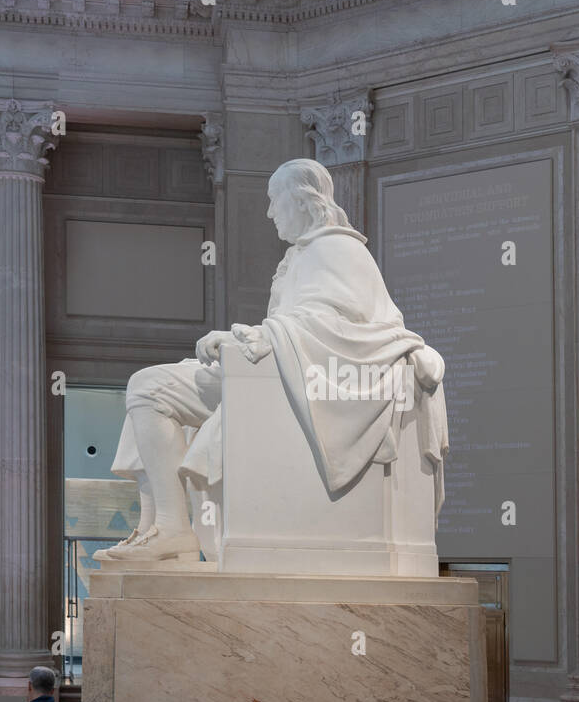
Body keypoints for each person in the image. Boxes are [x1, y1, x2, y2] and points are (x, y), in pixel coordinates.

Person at [95, 158, 448, 564]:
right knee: (147, 385)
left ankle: (174, 529)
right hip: (278, 373)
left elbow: (341, 327)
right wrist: (257, 337)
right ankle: (160, 527)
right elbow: (306, 323)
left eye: (274, 200)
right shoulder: (304, 255)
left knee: (150, 385)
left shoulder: (338, 248)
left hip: (303, 379)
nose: (268, 212)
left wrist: (259, 334)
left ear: (301, 200)